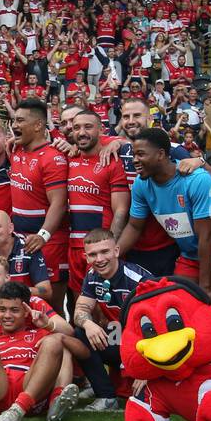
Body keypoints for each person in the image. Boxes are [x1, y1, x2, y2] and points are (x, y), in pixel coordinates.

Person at [118, 128, 211, 310]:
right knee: (179, 306)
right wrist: (114, 252)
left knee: (210, 308)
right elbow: (134, 226)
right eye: (134, 155)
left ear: (161, 154)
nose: (135, 161)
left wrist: (206, 287)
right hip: (190, 253)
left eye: (140, 154)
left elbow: (206, 236)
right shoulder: (141, 183)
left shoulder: (197, 180)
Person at [0, 281, 75, 421]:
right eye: (2, 309)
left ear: (26, 311)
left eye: (14, 310)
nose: (7, 315)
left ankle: (19, 409)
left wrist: (57, 334)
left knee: (54, 341)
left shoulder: (39, 333)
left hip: (29, 392)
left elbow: (84, 352)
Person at [71, 228, 152, 410]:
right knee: (80, 334)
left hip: (144, 346)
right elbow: (80, 310)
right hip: (120, 341)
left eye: (104, 252)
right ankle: (106, 396)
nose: (99, 259)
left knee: (144, 401)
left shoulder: (139, 280)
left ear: (116, 251)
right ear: (86, 257)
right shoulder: (92, 277)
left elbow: (159, 326)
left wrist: (149, 368)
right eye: (93, 255)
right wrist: (89, 324)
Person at [10, 98, 69, 312]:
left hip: (49, 242)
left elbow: (59, 203)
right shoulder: (17, 151)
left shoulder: (53, 158)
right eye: (13, 121)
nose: (14, 125)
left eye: (20, 121)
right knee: (26, 303)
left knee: (51, 305)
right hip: (23, 238)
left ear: (38, 125)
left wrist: (44, 236)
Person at [66, 110, 130, 295]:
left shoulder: (112, 161)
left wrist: (108, 248)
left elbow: (120, 210)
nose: (81, 132)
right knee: (77, 302)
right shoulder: (69, 158)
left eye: (88, 127)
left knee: (105, 306)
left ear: (101, 129)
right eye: (77, 127)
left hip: (99, 249)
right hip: (74, 248)